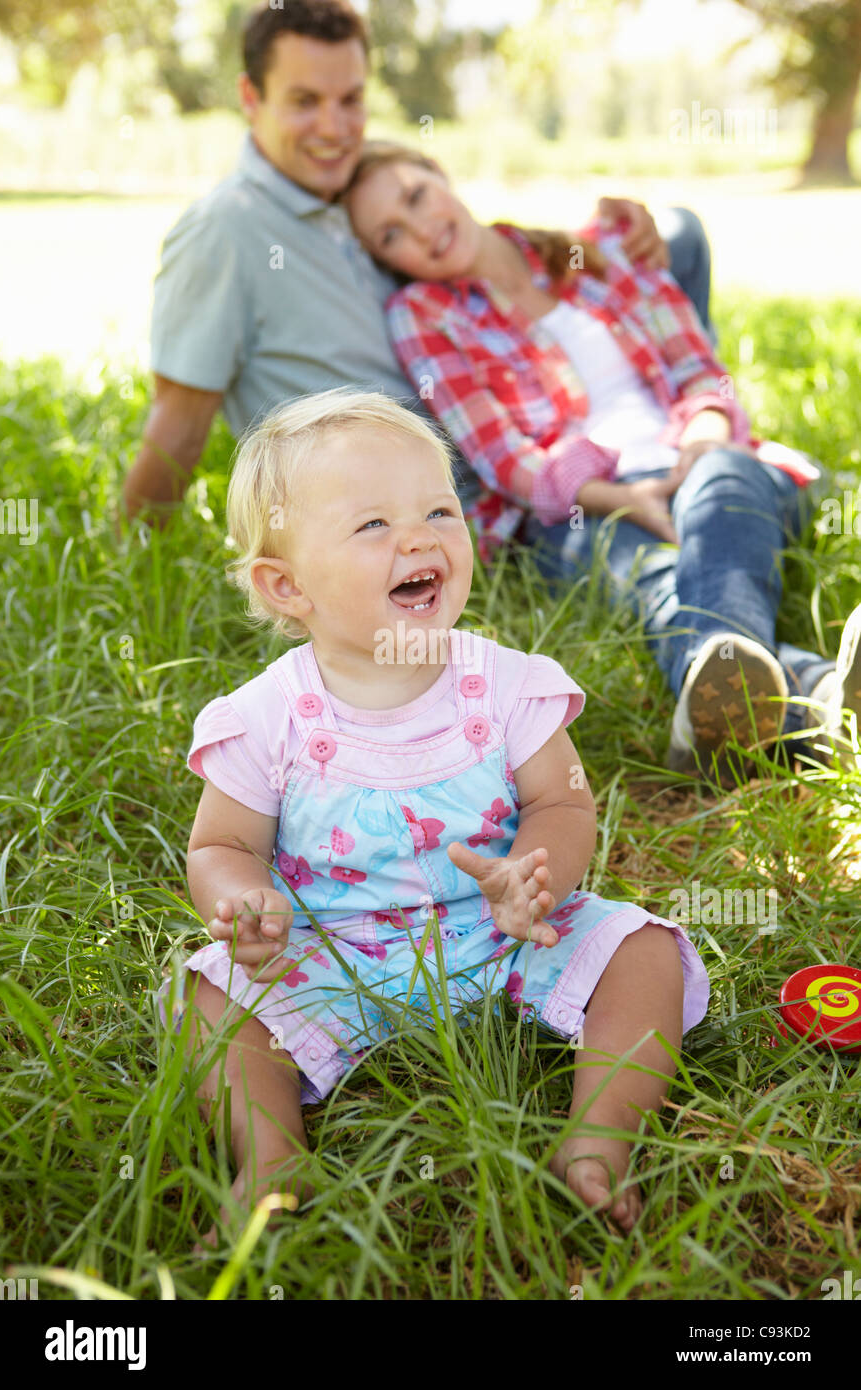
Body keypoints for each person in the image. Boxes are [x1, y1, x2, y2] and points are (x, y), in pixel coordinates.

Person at [157, 388, 710, 1249]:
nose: (418, 539)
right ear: (287, 585)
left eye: (438, 510)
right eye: (372, 525)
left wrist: (537, 877)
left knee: (642, 953)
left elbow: (561, 801)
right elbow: (222, 844)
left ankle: (600, 1138)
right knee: (206, 996)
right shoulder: (269, 715)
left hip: (500, 936)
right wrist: (242, 900)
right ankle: (270, 1161)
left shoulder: (509, 685)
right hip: (332, 950)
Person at [340, 142, 861, 777]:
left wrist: (699, 443)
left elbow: (699, 370)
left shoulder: (598, 256)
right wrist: (619, 498)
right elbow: (505, 455)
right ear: (387, 261)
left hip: (704, 458)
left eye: (416, 196)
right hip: (583, 508)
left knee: (724, 480)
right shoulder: (422, 314)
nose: (420, 229)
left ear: (441, 174)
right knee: (653, 574)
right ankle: (828, 702)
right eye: (391, 234)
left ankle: (741, 713)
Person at [121, 0, 717, 525]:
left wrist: (589, 233)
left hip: (507, 410)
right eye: (304, 102)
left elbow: (462, 246)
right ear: (251, 98)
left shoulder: (343, 192)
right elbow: (177, 429)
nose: (333, 127)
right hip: (447, 486)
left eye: (350, 100)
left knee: (677, 235)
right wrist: (136, 572)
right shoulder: (224, 232)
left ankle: (694, 422)